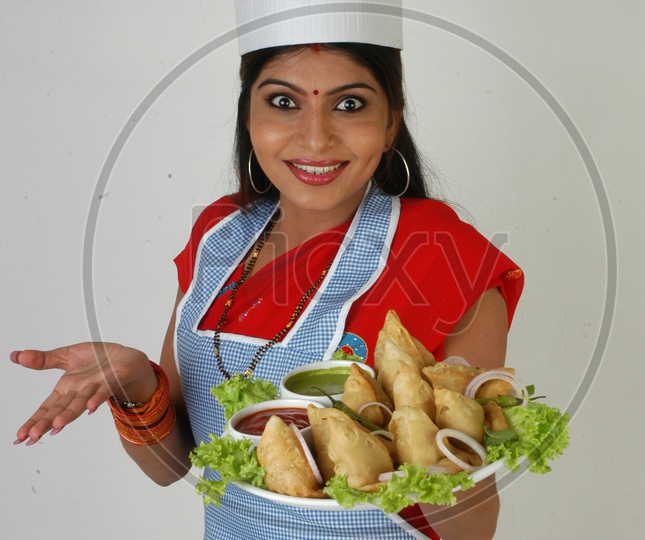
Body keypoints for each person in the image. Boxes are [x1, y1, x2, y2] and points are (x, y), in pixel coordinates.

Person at [11, 1, 523, 539]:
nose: (315, 138)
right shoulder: (219, 235)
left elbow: (474, 530)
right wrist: (136, 382)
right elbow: (173, 467)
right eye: (283, 102)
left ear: (391, 122)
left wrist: (413, 440)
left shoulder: (445, 257)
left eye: (350, 104)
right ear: (248, 117)